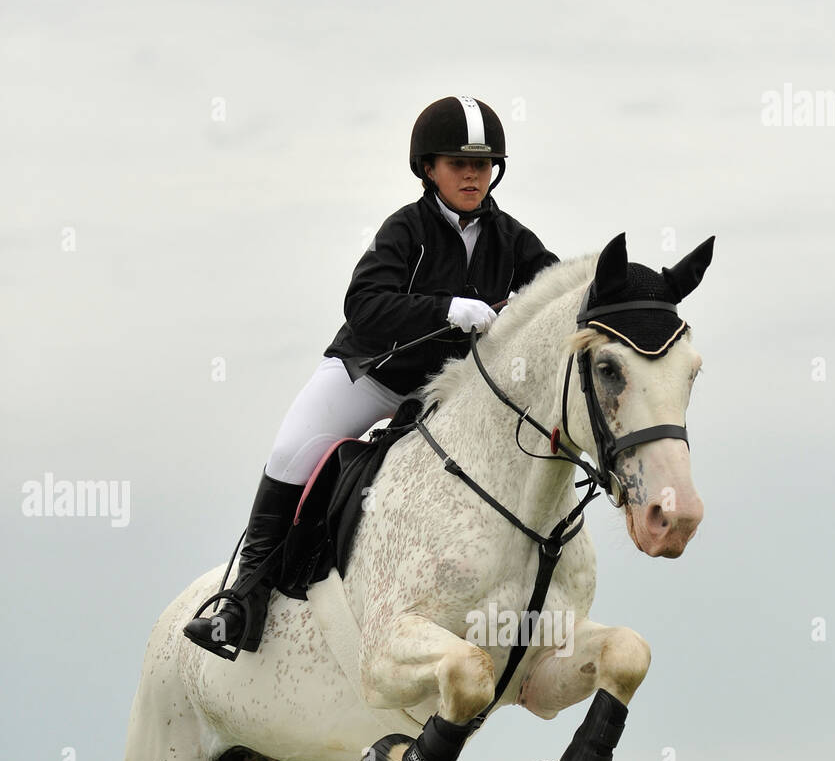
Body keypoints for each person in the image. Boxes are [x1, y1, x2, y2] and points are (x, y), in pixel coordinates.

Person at [184, 95, 559, 660]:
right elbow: (363, 303)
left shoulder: (513, 240)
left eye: (481, 165)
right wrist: (444, 310)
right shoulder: (406, 229)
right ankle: (242, 602)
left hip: (447, 394)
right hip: (373, 375)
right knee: (292, 451)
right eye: (458, 164)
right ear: (429, 169)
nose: (471, 175)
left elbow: (556, 295)